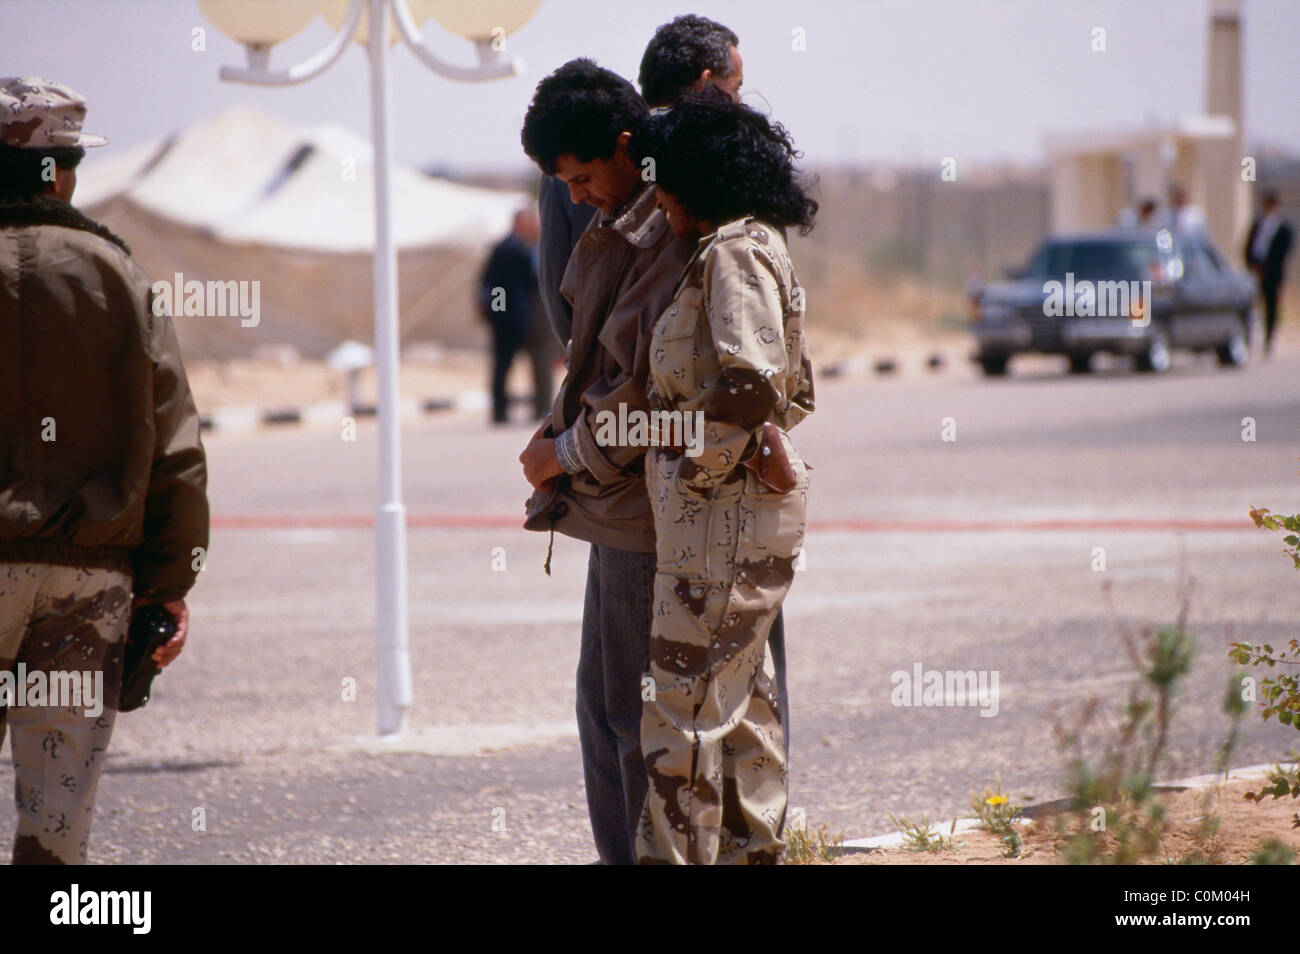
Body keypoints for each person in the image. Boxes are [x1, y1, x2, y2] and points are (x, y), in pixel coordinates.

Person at [0, 77, 209, 864]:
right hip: (89, 587)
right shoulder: (118, 274)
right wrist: (168, 584)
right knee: (56, 833)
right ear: (59, 172)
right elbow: (176, 448)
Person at [628, 89, 817, 864]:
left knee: (680, 715)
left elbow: (756, 386)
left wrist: (678, 457)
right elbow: (788, 390)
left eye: (664, 187)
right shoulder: (747, 244)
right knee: (738, 711)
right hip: (733, 512)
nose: (659, 203)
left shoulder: (733, 254)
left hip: (720, 519)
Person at [518, 59, 693, 865]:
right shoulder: (624, 220)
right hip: (614, 503)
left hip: (645, 508)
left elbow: (648, 395)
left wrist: (561, 452)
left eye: (584, 177)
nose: (575, 194)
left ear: (627, 146)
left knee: (630, 715)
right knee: (604, 707)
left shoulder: (668, 232)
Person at [535, 14, 743, 349]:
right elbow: (567, 311)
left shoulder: (700, 197)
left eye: (582, 180)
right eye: (734, 90)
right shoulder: (573, 173)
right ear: (705, 84)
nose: (577, 195)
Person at [478, 207, 558, 423]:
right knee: (503, 366)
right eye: (529, 222)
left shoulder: (539, 248)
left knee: (542, 366)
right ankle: (499, 411)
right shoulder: (504, 249)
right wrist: (499, 314)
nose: (533, 226)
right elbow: (494, 286)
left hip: (536, 321)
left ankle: (542, 409)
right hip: (509, 320)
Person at [1244, 190, 1293, 356]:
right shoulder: (1258, 225)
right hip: (1256, 271)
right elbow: (1248, 247)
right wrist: (1253, 265)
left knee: (1271, 306)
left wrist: (1268, 268)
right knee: (1252, 304)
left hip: (1272, 273)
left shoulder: (1283, 228)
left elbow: (1283, 252)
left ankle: (1269, 337)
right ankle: (1251, 337)